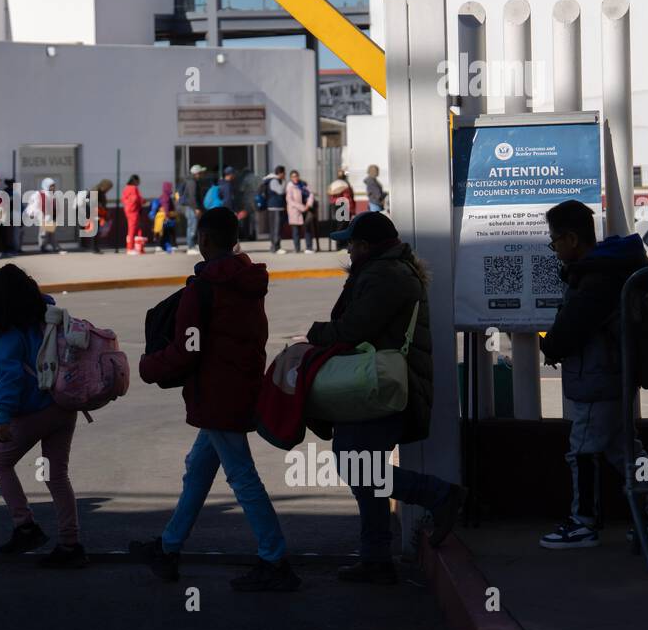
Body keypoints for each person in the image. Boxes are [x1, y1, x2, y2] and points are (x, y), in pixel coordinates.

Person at [132, 207, 299, 591]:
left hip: (216, 395)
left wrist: (148, 366)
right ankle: (168, 547)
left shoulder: (203, 289)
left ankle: (275, 559)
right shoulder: (249, 282)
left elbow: (187, 350)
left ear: (204, 240)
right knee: (199, 469)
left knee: (242, 476)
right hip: (241, 387)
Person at [306, 211, 466, 583]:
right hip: (375, 382)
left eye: (351, 243)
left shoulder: (384, 275)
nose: (347, 250)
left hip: (377, 385)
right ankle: (376, 557)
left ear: (366, 246)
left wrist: (315, 333)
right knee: (364, 472)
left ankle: (439, 495)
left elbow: (353, 327)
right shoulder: (387, 270)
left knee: (357, 466)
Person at [538, 199, 648, 549]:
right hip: (614, 374)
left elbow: (573, 327)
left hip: (598, 377)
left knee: (583, 451)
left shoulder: (595, 278)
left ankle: (583, 522)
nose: (554, 247)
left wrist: (551, 347)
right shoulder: (612, 269)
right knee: (627, 452)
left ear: (572, 239)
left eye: (554, 240)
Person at [0, 264, 86, 568]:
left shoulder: (7, 330)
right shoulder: (49, 313)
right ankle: (70, 543)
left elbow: (10, 377)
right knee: (56, 475)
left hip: (33, 410)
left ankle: (24, 525)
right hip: (64, 404)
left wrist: (3, 417)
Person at [178, 165, 206, 255]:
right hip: (191, 207)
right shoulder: (192, 182)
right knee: (192, 227)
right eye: (201, 172)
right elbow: (192, 197)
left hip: (191, 207)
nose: (202, 174)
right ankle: (190, 247)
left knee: (193, 226)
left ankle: (192, 245)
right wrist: (196, 208)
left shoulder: (192, 181)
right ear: (196, 173)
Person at [285, 170, 313, 254]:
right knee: (296, 230)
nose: (295, 178)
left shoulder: (303, 184)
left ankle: (309, 247)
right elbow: (290, 200)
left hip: (306, 209)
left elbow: (310, 194)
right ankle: (297, 248)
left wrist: (308, 204)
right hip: (295, 211)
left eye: (296, 176)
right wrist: (302, 207)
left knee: (307, 228)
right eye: (293, 176)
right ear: (290, 178)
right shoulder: (289, 186)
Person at [261, 165, 287, 254]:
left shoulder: (271, 180)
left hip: (273, 207)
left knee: (274, 228)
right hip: (276, 207)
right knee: (276, 228)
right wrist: (284, 182)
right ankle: (276, 247)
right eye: (284, 173)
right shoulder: (274, 181)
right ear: (281, 173)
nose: (285, 175)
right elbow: (280, 191)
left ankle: (274, 246)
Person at [328, 170, 354, 251]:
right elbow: (348, 197)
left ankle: (341, 245)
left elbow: (331, 198)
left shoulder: (334, 184)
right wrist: (351, 209)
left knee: (341, 225)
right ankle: (340, 246)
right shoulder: (345, 184)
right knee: (343, 226)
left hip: (337, 205)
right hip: (343, 205)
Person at [150, 181, 177, 252]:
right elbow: (166, 207)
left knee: (162, 232)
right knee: (166, 232)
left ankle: (162, 245)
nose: (171, 189)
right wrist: (167, 215)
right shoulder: (166, 197)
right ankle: (162, 245)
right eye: (170, 187)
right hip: (165, 217)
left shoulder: (163, 196)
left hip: (161, 218)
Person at [88, 178, 113, 254]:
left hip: (98, 213)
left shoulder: (102, 192)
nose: (109, 189)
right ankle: (94, 248)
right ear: (105, 185)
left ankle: (96, 247)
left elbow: (103, 203)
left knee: (96, 231)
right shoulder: (95, 190)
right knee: (94, 231)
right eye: (108, 187)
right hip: (93, 212)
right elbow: (92, 202)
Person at [121, 175, 144, 254]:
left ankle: (132, 247)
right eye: (138, 181)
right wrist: (142, 202)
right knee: (133, 229)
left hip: (128, 210)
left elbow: (123, 199)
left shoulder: (126, 188)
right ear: (135, 181)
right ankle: (131, 248)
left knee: (133, 229)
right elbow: (136, 199)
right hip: (133, 211)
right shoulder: (134, 188)